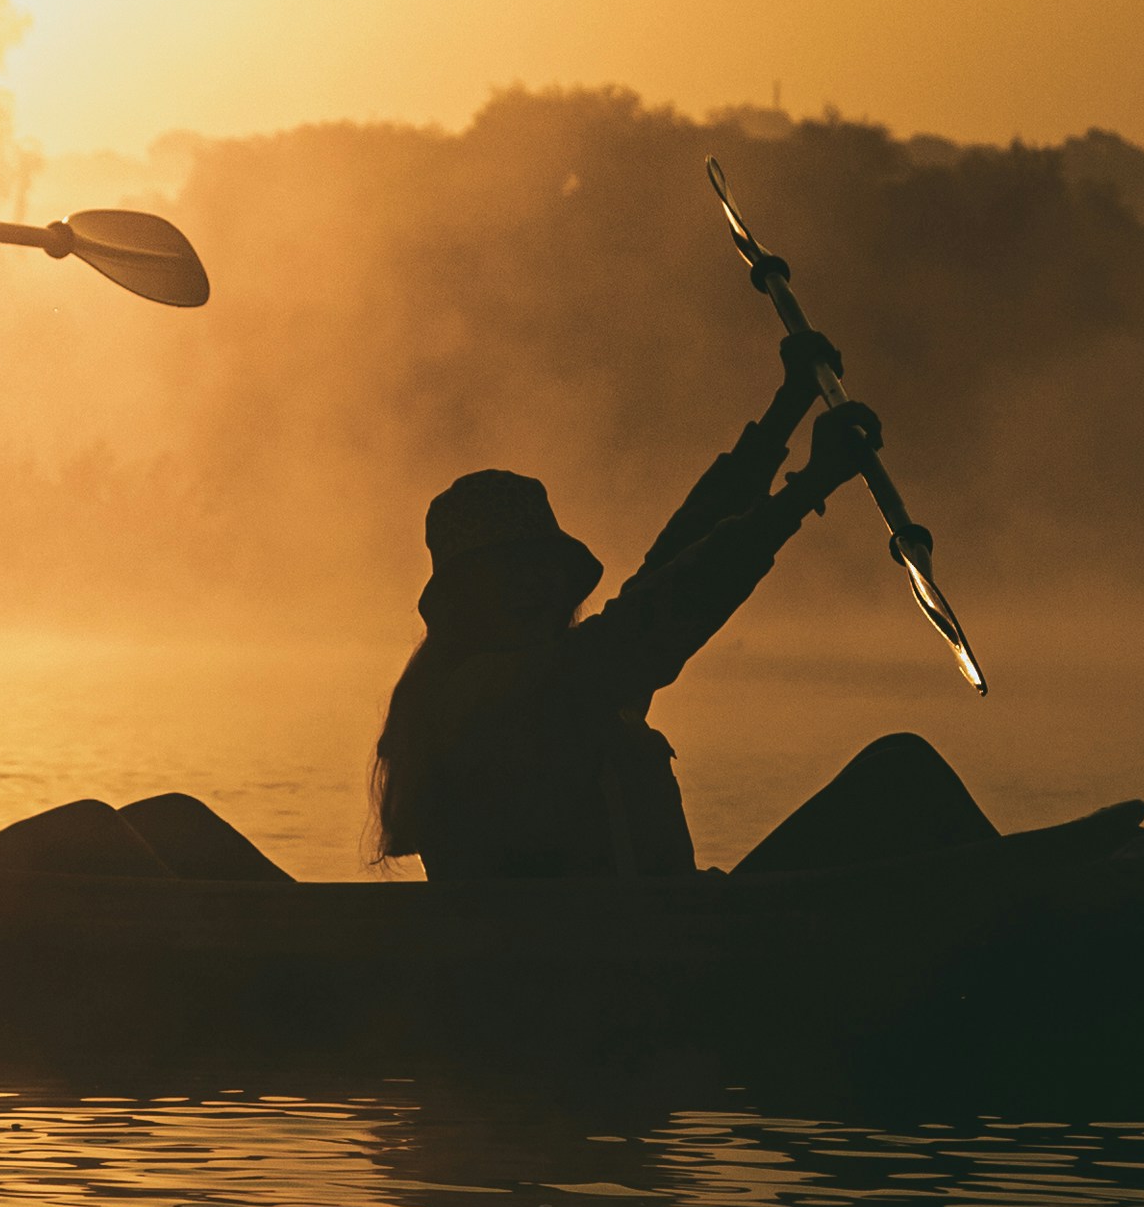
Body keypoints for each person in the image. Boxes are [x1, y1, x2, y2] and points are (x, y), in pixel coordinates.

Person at [372, 332, 985, 880]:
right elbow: (665, 610)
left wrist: (785, 411)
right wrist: (806, 490)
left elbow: (673, 566)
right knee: (902, 779)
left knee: (899, 771)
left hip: (674, 936)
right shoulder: (492, 698)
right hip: (630, 971)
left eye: (542, 571)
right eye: (509, 576)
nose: (535, 590)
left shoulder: (566, 674)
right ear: (466, 602)